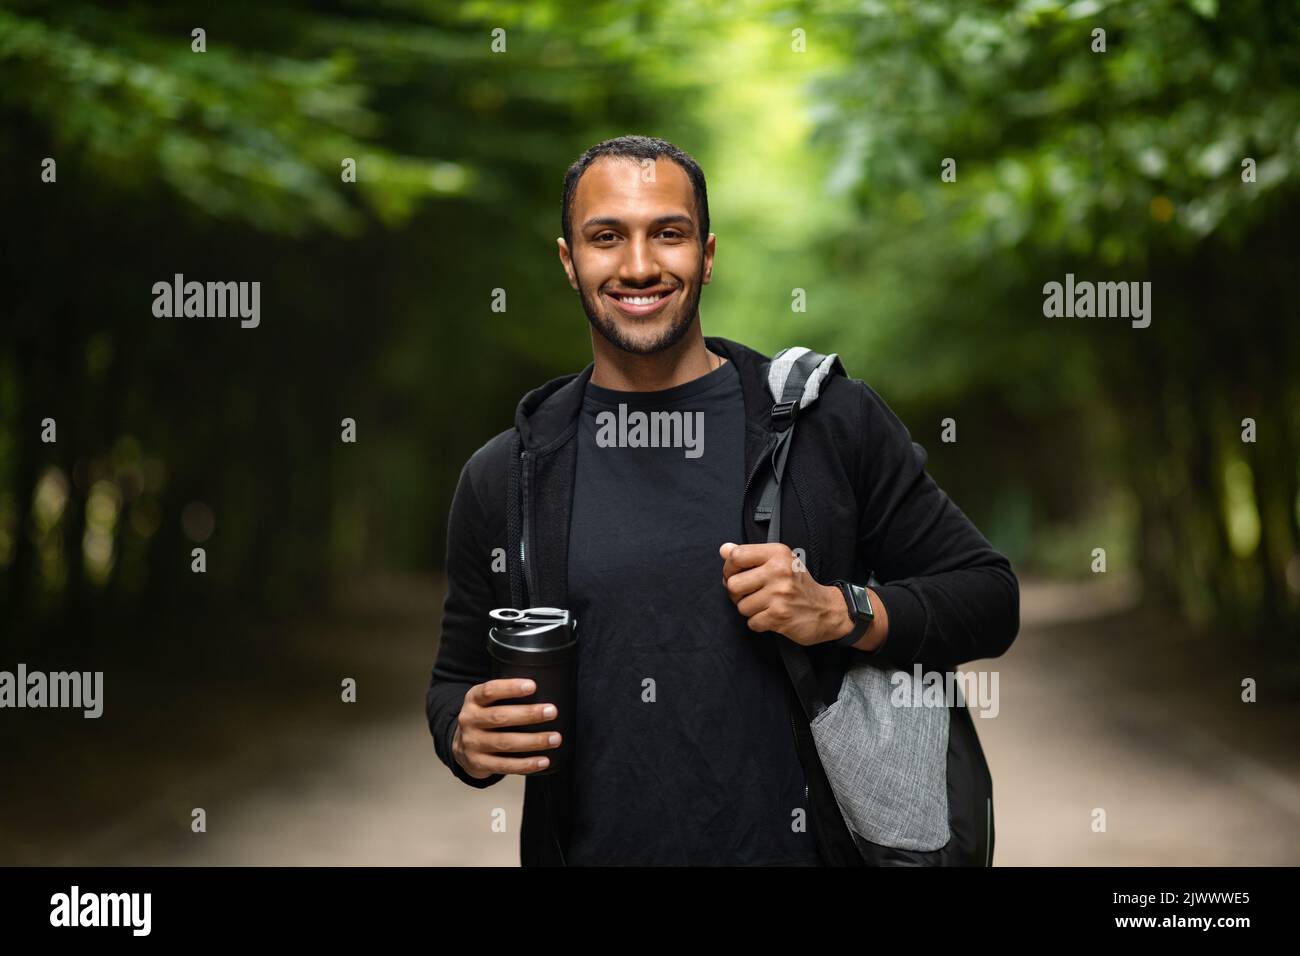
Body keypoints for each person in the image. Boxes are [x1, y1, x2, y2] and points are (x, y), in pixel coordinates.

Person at [425, 134, 1020, 866]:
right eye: (606, 237)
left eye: (666, 234)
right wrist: (465, 736)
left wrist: (841, 611)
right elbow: (456, 681)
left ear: (705, 255)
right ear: (568, 261)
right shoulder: (509, 472)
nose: (639, 265)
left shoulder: (826, 425)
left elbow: (989, 599)